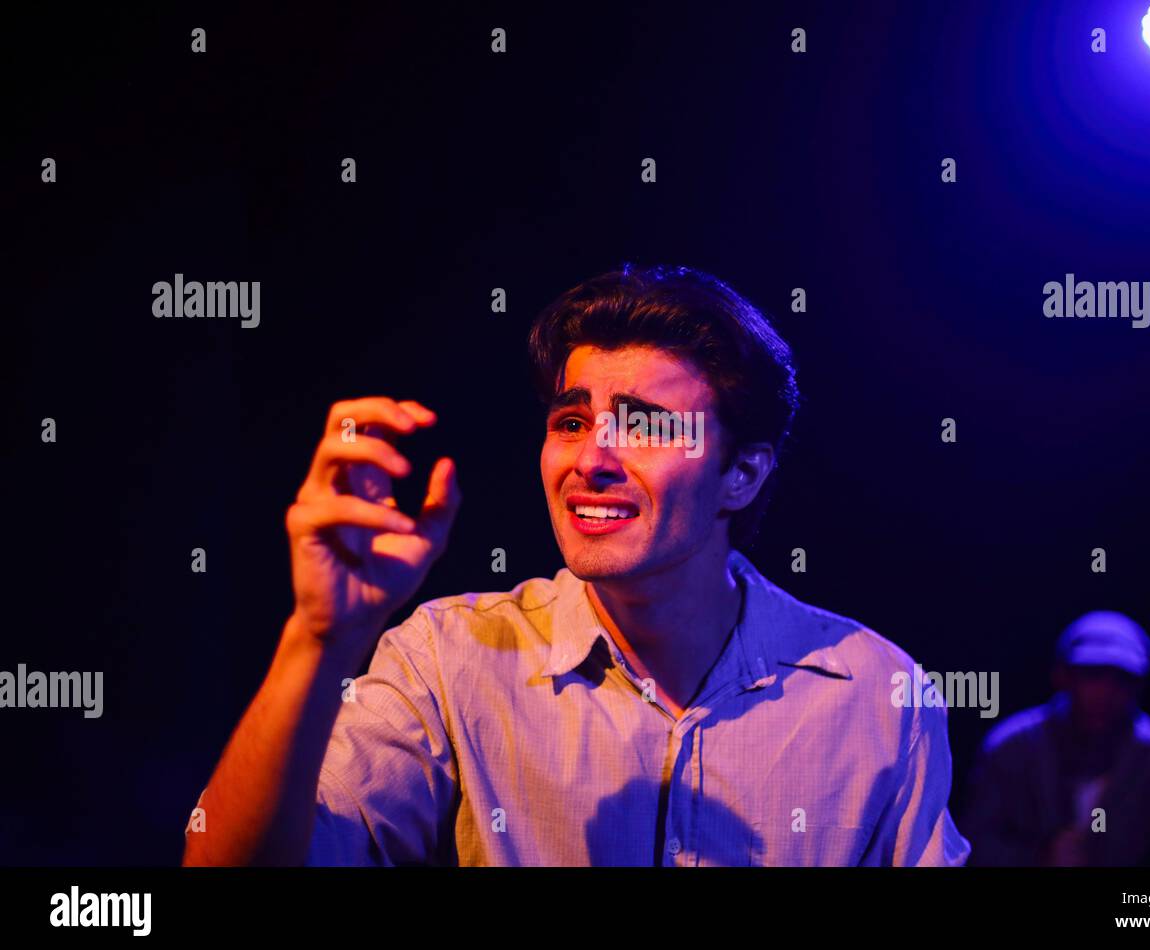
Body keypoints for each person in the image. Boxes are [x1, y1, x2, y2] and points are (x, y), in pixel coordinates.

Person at [182, 263, 970, 866]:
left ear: (743, 474)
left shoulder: (876, 695)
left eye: (645, 428)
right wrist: (318, 638)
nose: (592, 458)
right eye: (571, 420)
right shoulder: (448, 660)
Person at [962, 611, 1150, 866]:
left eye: (1122, 679)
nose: (1106, 692)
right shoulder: (1010, 748)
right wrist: (1038, 857)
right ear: (1062, 676)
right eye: (1093, 675)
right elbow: (971, 845)